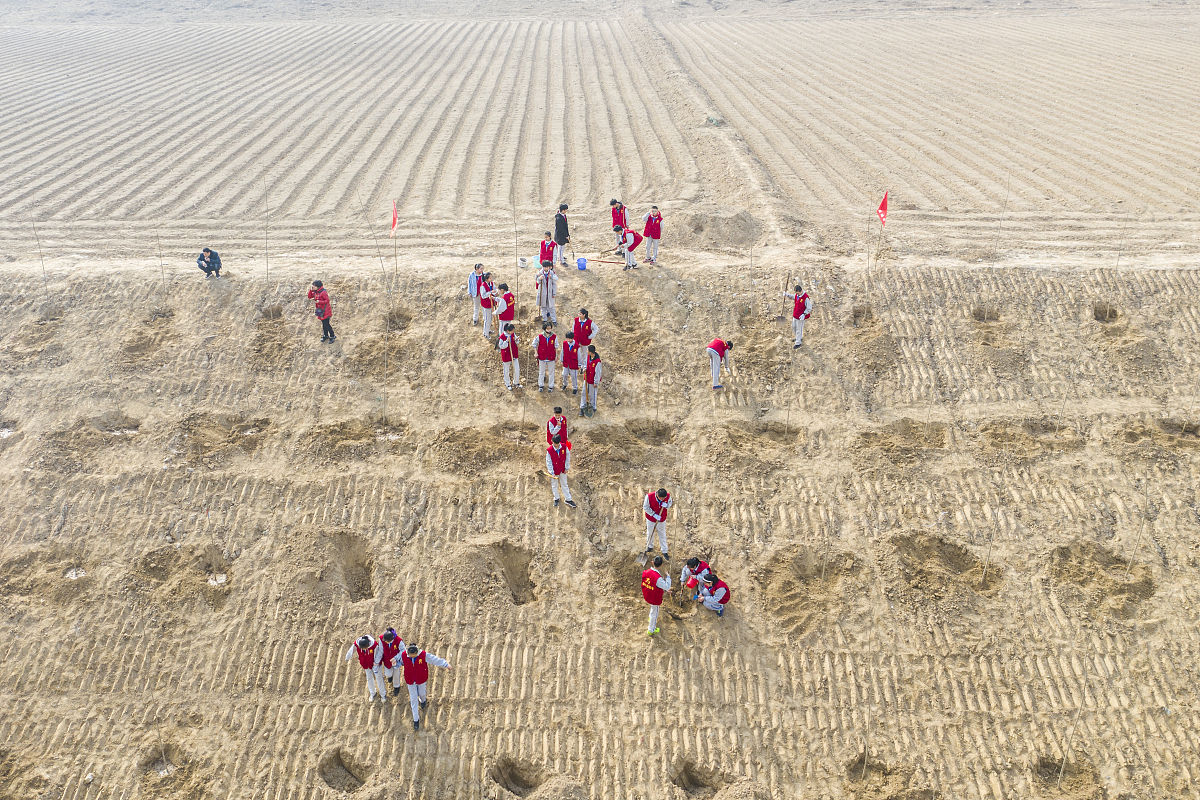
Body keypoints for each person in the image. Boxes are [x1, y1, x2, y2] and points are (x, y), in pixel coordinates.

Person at [400, 642, 451, 731]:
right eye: (411, 656)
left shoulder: (423, 655)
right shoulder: (404, 655)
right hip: (410, 681)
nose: (412, 657)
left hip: (421, 679)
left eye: (414, 655)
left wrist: (445, 664)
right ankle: (416, 720)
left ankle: (423, 701)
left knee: (422, 694)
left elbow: (434, 659)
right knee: (413, 699)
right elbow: (399, 661)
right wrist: (394, 663)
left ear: (417, 652)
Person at [344, 634, 386, 703]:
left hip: (375, 664)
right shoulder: (357, 644)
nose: (364, 650)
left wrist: (376, 662)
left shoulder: (374, 645)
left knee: (379, 678)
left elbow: (378, 654)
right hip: (366, 664)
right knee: (369, 678)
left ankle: (383, 695)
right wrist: (347, 658)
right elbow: (351, 650)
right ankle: (373, 693)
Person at [641, 556, 672, 636]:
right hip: (654, 598)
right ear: (661, 565)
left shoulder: (646, 572)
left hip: (647, 594)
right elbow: (667, 586)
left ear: (652, 562)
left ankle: (650, 618)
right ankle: (651, 630)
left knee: (652, 609)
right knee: (655, 613)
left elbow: (652, 583)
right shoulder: (658, 578)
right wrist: (668, 577)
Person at [546, 434, 576, 508]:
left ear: (559, 442)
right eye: (554, 443)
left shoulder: (564, 447)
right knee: (554, 485)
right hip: (554, 471)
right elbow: (548, 462)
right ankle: (556, 498)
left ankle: (568, 499)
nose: (556, 445)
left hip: (562, 469)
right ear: (552, 441)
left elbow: (567, 457)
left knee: (564, 484)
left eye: (557, 443)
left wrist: (566, 468)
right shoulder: (549, 450)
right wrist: (551, 472)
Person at [643, 488, 672, 560]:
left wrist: (667, 505)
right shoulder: (649, 496)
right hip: (650, 519)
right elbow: (645, 507)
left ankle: (664, 551)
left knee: (662, 534)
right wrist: (653, 514)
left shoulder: (668, 496)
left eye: (664, 498)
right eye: (661, 498)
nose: (663, 499)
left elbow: (670, 503)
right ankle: (649, 546)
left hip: (661, 519)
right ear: (657, 495)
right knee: (650, 533)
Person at [785, 283, 812, 348]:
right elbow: (793, 297)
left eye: (798, 293)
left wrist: (804, 314)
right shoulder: (797, 295)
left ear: (801, 291)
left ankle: (798, 342)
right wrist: (787, 295)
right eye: (796, 293)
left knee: (799, 329)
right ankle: (798, 337)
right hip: (795, 315)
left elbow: (809, 308)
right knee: (794, 327)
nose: (797, 294)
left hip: (800, 317)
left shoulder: (805, 298)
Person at [379, 628, 405, 696]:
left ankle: (396, 687)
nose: (385, 642)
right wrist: (377, 661)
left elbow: (403, 650)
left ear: (391, 639)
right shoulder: (381, 639)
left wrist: (396, 658)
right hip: (387, 660)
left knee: (396, 673)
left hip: (396, 660)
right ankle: (390, 677)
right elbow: (380, 651)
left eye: (387, 641)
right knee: (388, 674)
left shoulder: (398, 640)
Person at [498, 323, 522, 390]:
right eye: (512, 330)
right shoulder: (502, 337)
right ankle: (508, 384)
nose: (513, 331)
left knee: (517, 369)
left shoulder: (513, 334)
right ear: (508, 331)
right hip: (506, 356)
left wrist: (517, 340)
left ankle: (516, 382)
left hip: (514, 354)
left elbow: (516, 341)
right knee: (506, 370)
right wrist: (506, 341)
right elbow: (501, 346)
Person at [580, 345, 601, 417]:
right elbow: (585, 364)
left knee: (593, 394)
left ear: (591, 352)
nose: (587, 351)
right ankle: (582, 407)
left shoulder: (597, 361)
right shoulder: (588, 357)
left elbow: (598, 373)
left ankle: (593, 407)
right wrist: (584, 368)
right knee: (584, 393)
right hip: (587, 378)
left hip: (593, 381)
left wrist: (596, 382)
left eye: (588, 350)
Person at [536, 322, 558, 391]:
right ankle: (541, 385)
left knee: (551, 372)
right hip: (542, 357)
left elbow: (556, 347)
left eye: (550, 328)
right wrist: (536, 353)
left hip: (551, 357)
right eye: (547, 328)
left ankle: (551, 386)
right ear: (544, 329)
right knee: (541, 372)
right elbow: (534, 344)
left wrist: (556, 356)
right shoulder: (539, 336)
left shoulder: (554, 337)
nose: (549, 330)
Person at [479, 272, 497, 338]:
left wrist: (495, 293)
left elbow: (494, 290)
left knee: (490, 318)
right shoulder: (483, 286)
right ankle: (485, 333)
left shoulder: (491, 283)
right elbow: (483, 296)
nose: (491, 278)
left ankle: (488, 330)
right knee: (487, 319)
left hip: (491, 303)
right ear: (486, 279)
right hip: (486, 304)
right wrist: (490, 292)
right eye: (490, 278)